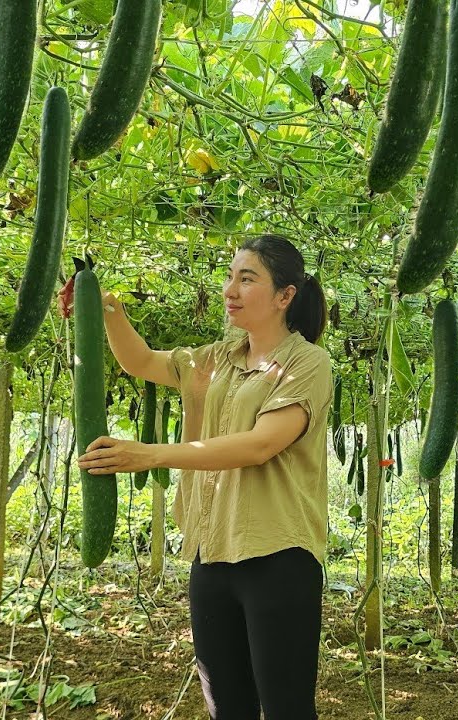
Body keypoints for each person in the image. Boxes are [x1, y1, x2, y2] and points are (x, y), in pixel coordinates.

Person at [77, 234, 332, 720]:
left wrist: (150, 455)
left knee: (287, 709)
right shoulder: (216, 359)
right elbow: (140, 361)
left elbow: (260, 444)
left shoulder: (306, 363)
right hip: (211, 555)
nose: (229, 289)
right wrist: (103, 305)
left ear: (285, 295)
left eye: (247, 278)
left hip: (277, 558)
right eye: (230, 276)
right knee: (227, 708)